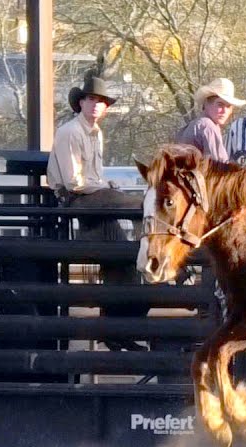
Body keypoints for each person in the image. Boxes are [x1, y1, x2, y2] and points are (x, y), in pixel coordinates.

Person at [46, 76, 148, 350]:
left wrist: (104, 186)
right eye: (91, 99)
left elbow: (91, 178)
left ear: (105, 108)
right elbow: (73, 183)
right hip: (78, 201)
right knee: (140, 205)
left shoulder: (95, 134)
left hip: (96, 203)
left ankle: (116, 331)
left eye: (100, 101)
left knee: (124, 264)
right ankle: (116, 330)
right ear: (81, 103)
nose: (95, 105)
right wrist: (105, 186)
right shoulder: (70, 132)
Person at [174, 78, 246, 163]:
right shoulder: (207, 126)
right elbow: (219, 168)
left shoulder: (197, 124)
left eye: (228, 106)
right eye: (220, 104)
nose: (224, 111)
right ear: (206, 103)